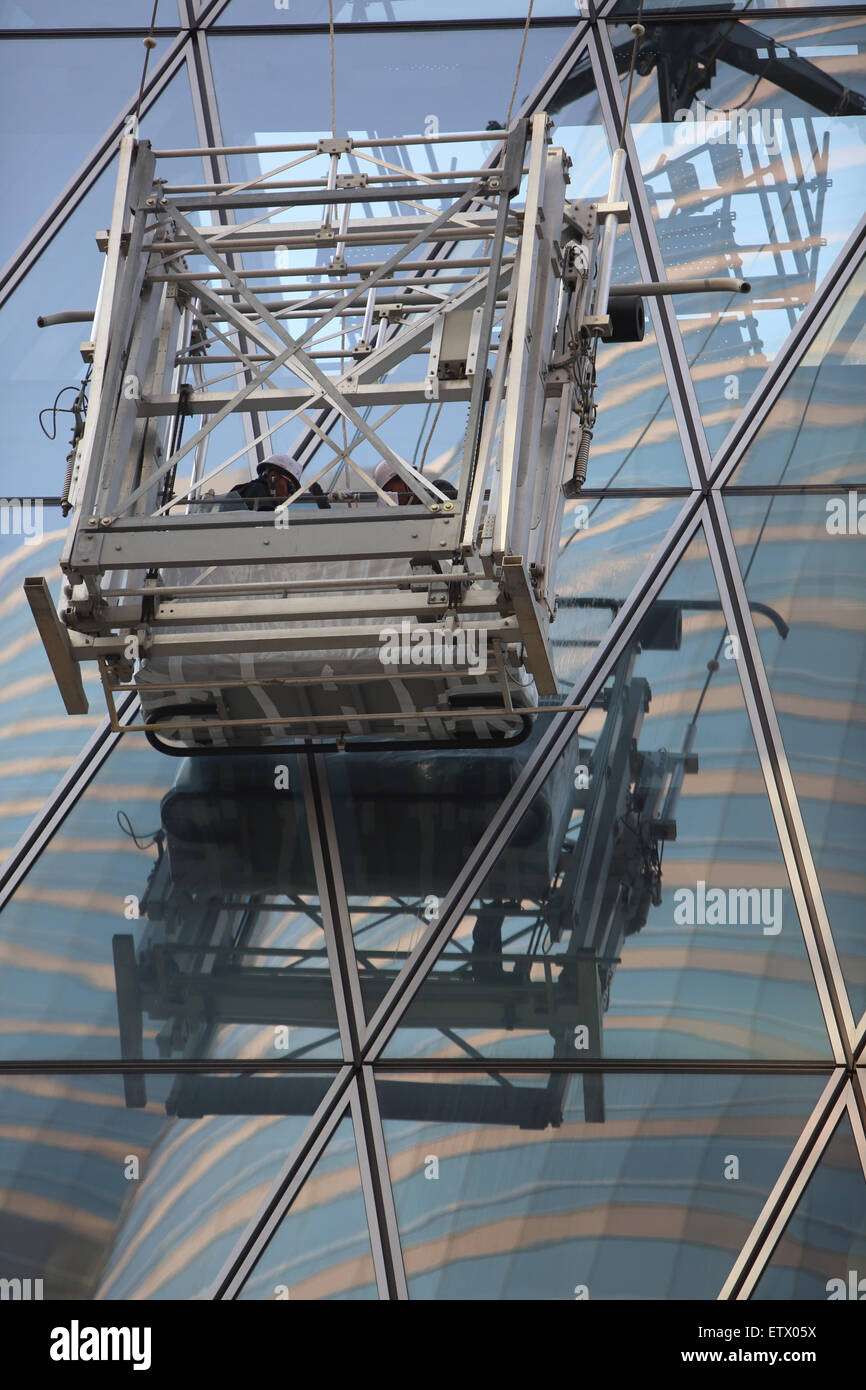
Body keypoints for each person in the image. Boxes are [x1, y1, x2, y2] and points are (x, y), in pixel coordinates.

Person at [227, 453, 329, 511]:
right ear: (273, 477)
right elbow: (271, 528)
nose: (289, 495)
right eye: (290, 488)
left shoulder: (248, 492)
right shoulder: (256, 490)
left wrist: (322, 503)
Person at [372, 459, 457, 506]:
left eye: (390, 490)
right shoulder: (398, 516)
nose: (390, 495)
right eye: (386, 493)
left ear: (407, 479)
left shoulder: (439, 490)